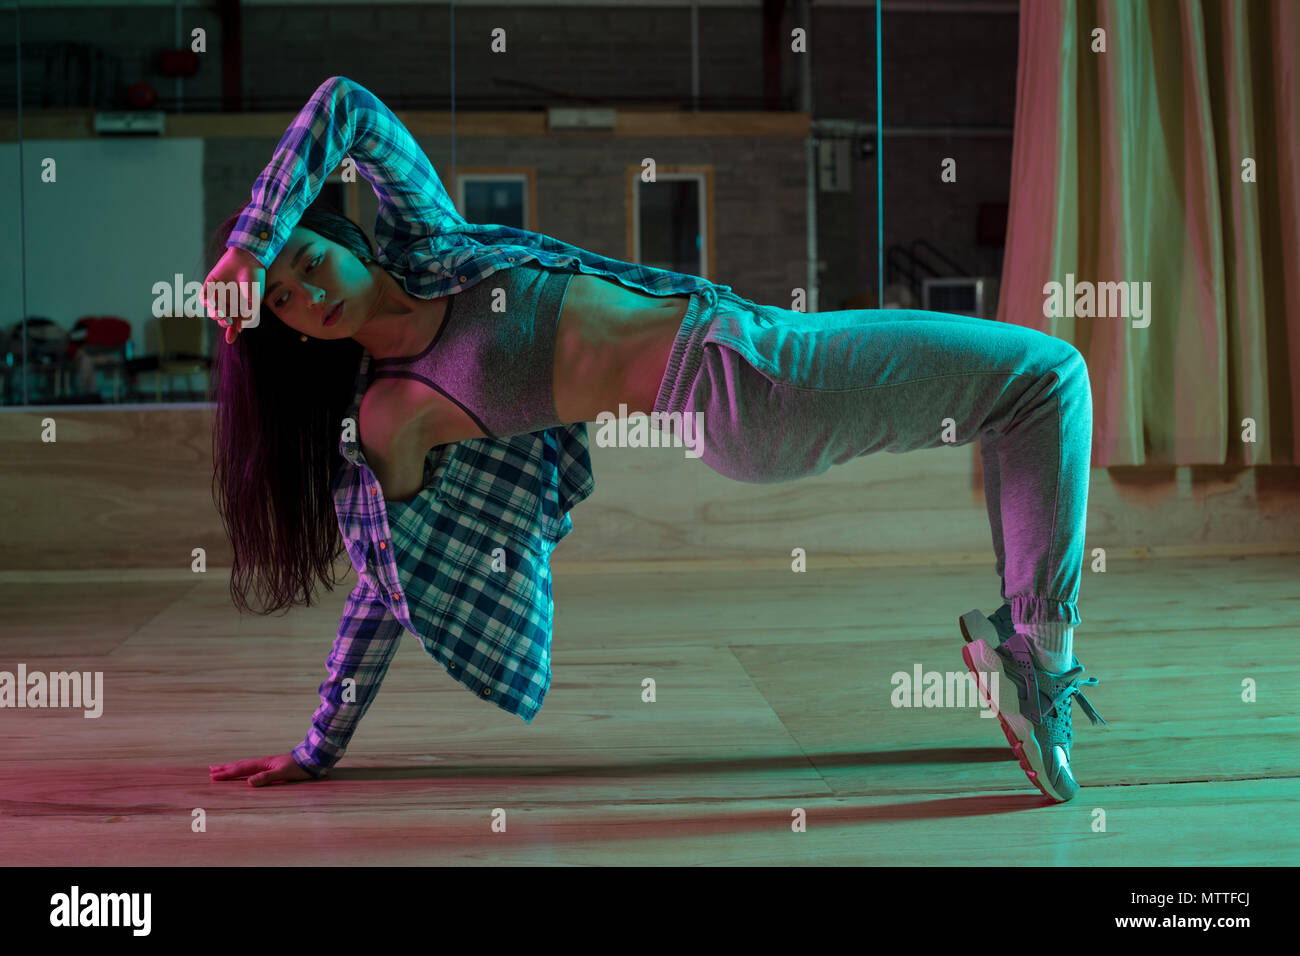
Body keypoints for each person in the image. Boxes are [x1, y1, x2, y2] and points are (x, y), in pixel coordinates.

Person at [206, 75, 1103, 802]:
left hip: (739, 337)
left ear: (351, 242)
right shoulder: (389, 413)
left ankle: (1027, 651)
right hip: (746, 387)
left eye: (311, 262)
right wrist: (320, 744)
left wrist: (253, 241)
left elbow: (347, 107)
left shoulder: (435, 241)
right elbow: (383, 585)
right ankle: (1036, 658)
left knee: (1019, 398)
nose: (310, 297)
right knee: (1047, 379)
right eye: (283, 298)